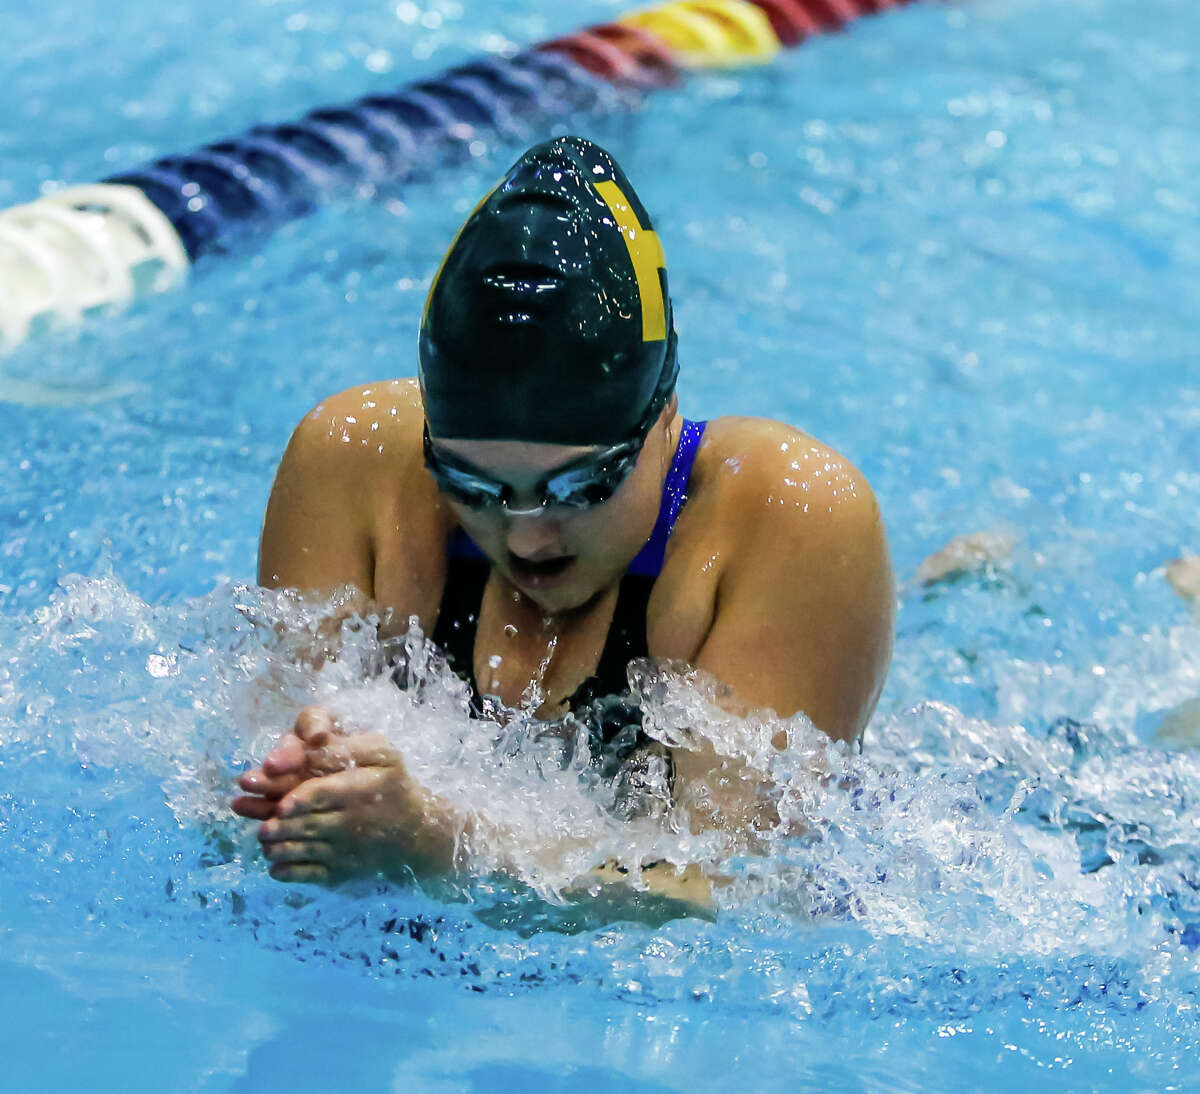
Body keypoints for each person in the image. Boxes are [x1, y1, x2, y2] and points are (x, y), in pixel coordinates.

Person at [231, 136, 894, 899]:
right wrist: (299, 793)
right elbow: (247, 802)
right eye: (472, 487)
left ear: (664, 417)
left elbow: (731, 894)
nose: (526, 535)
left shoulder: (786, 515)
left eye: (578, 487)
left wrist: (443, 844)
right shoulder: (352, 462)